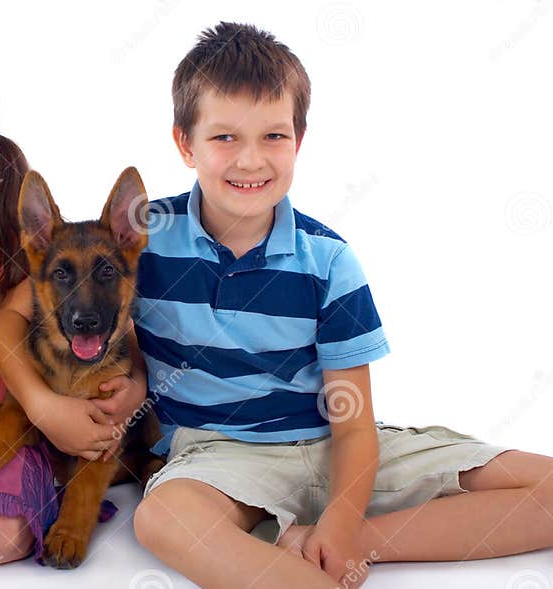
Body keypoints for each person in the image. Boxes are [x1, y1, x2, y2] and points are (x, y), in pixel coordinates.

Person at [125, 22, 553, 589]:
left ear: (299, 141)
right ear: (185, 143)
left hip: (335, 447)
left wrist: (347, 524)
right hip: (218, 459)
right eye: (225, 138)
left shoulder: (327, 259)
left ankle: (322, 543)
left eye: (273, 137)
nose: (250, 161)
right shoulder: (143, 235)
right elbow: (58, 302)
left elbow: (353, 426)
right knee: (161, 518)